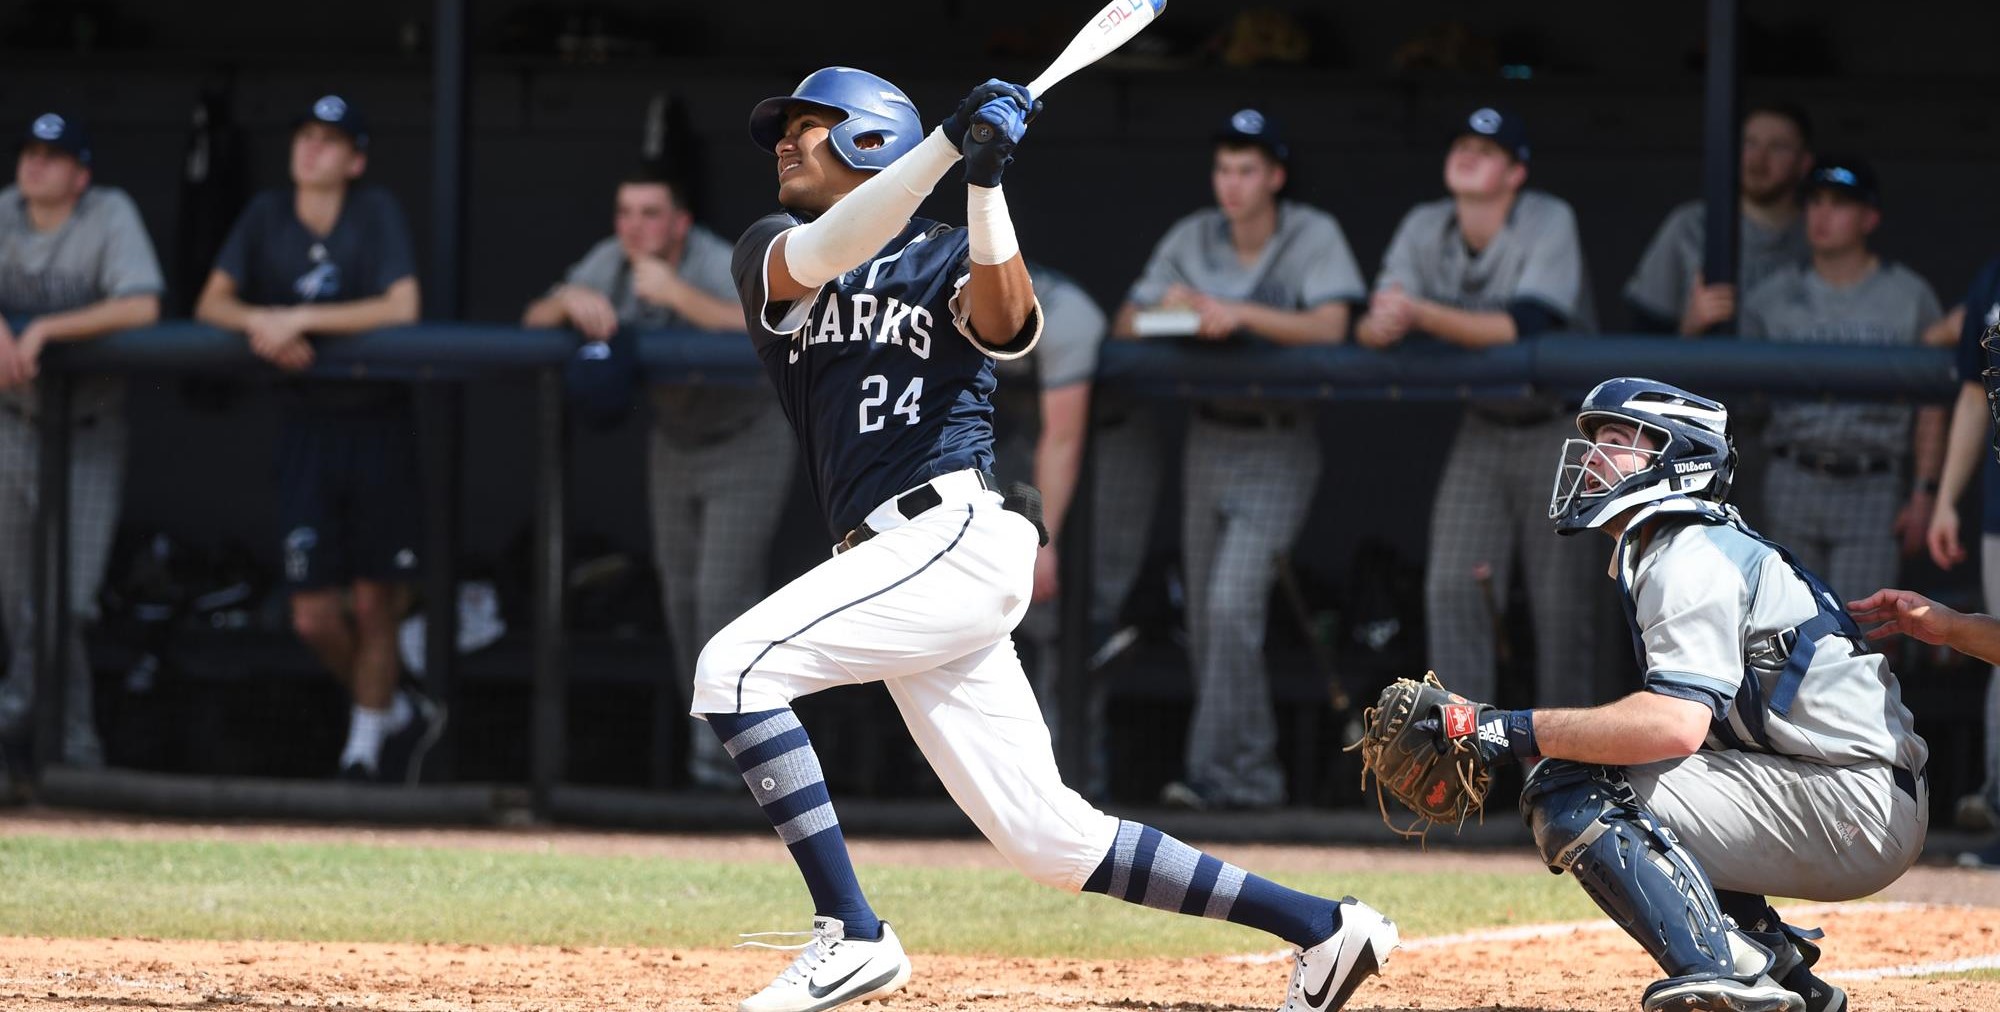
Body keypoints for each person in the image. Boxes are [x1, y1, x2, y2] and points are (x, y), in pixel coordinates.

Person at [696, 67, 1398, 1012]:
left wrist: (985, 183)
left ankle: (852, 933)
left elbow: (1009, 323)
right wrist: (952, 147)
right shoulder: (770, 246)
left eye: (810, 125)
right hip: (887, 564)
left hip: (950, 532)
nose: (784, 141)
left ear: (870, 138)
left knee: (735, 670)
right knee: (1050, 840)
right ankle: (1323, 928)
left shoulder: (948, 251)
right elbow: (824, 255)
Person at [1440, 376, 1924, 1012]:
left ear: (1677, 459)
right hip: (1844, 786)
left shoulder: (1687, 552)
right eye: (1594, 442)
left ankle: (1728, 976)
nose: (1593, 458)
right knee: (1613, 775)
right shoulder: (1679, 543)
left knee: (1575, 784)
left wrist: (1503, 729)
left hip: (1853, 800)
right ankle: (1784, 977)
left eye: (1616, 441)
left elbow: (1674, 725)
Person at [1112, 108, 1365, 811]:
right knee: (1209, 616)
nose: (1233, 182)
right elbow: (1125, 322)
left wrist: (1239, 313)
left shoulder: (1312, 232)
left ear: (1275, 176)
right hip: (1209, 435)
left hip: (1280, 438)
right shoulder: (1193, 235)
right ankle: (1229, 777)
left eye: (1248, 168)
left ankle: (1240, 776)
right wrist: (1181, 312)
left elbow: (1332, 325)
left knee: (1229, 604)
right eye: (1224, 167)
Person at [194, 94, 440, 784]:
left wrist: (301, 316)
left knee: (372, 600)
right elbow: (210, 302)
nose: (312, 149)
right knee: (313, 616)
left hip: (376, 424)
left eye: (330, 141)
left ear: (354, 159)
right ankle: (388, 708)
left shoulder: (375, 211)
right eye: (304, 135)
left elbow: (403, 306)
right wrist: (260, 323)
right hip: (306, 428)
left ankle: (361, 757)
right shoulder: (266, 214)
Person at [523, 165, 793, 791]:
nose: (634, 227)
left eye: (649, 214)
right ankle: (710, 762)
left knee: (722, 597)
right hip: (674, 442)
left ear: (678, 222)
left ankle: (742, 767)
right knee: (680, 601)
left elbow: (775, 321)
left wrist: (677, 297)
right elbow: (531, 319)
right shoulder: (610, 260)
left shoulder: (717, 260)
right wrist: (568, 300)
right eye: (625, 213)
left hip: (747, 437)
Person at [1355, 106, 1601, 711]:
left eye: (1486, 150)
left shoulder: (1547, 218)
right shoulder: (1424, 224)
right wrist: (1380, 326)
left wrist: (1418, 315)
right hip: (1483, 425)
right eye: (1460, 143)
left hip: (1561, 429)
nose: (1467, 155)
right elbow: (1375, 322)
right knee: (1450, 588)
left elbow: (1525, 325)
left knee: (1562, 606)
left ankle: (1572, 769)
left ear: (1515, 172)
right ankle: (1462, 761)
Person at [0, 112, 164, 767]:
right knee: (15, 602)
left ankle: (28, 715)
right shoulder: (5, 211)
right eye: (29, 152)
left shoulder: (108, 213)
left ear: (81, 175)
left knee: (65, 602)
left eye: (53, 156)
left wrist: (47, 328)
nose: (35, 164)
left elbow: (143, 305)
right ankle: (68, 743)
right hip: (13, 426)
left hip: (88, 433)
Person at [1737, 158, 1944, 602]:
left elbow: (1933, 403)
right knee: (1785, 633)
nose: (1822, 215)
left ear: (1870, 218)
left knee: (1860, 636)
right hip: (1792, 471)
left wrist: (1924, 491)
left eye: (1839, 204)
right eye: (1814, 202)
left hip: (1872, 478)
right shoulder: (1770, 297)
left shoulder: (1910, 295)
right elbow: (1741, 400)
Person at [1623, 104, 1814, 336]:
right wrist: (1690, 328)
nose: (1758, 159)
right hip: (1706, 370)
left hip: (1794, 370)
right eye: (1749, 143)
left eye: (1778, 147)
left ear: (1804, 163)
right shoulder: (1690, 224)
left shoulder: (1824, 231)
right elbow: (1644, 334)